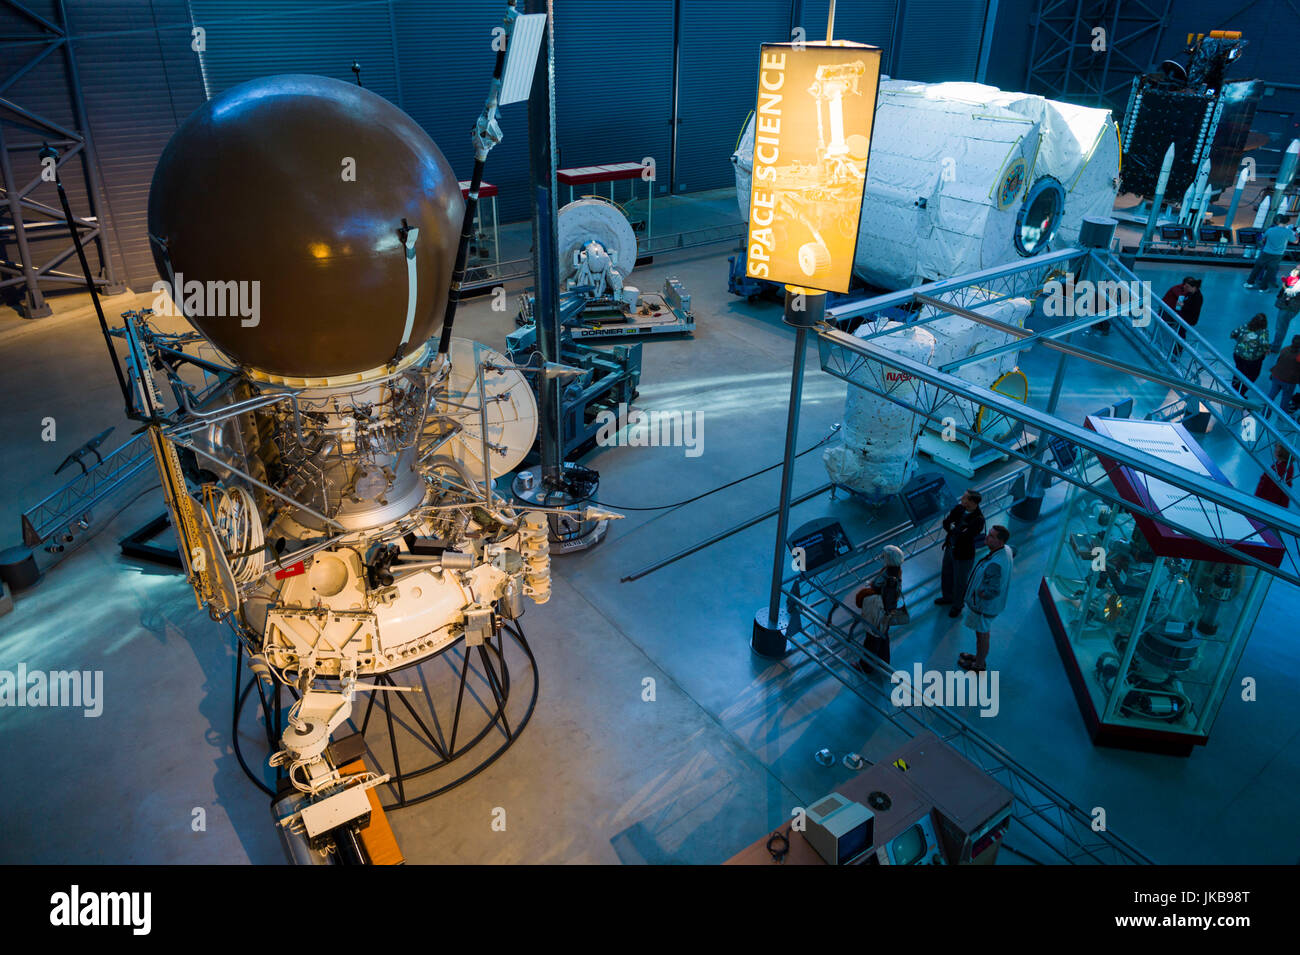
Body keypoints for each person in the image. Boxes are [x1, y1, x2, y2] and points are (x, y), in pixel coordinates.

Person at [958, 526, 1013, 673]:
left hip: (984, 608)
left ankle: (979, 665)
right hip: (989, 607)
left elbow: (992, 591)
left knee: (982, 634)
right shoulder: (1006, 550)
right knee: (982, 632)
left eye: (992, 536)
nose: (987, 537)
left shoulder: (995, 564)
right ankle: (978, 657)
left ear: (1000, 541)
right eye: (989, 534)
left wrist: (979, 592)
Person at [935, 489, 985, 618]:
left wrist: (954, 529)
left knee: (960, 581)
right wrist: (956, 530)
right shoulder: (958, 509)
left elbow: (966, 536)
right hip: (951, 548)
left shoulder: (978, 519)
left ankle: (957, 605)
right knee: (946, 574)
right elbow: (946, 523)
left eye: (964, 497)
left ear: (972, 502)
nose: (961, 499)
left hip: (963, 555)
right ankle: (947, 597)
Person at [854, 545, 905, 669]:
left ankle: (865, 666)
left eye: (884, 556)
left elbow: (884, 596)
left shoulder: (890, 577)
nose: (882, 558)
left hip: (880, 612)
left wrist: (868, 591)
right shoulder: (895, 570)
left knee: (871, 639)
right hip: (886, 612)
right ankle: (884, 662)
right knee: (883, 636)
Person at [1245, 215, 1299, 292]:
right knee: (1270, 271)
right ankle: (1263, 288)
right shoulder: (1288, 232)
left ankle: (1249, 283)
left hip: (1266, 252)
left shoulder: (1270, 230)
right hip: (1277, 255)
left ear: (1279, 221)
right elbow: (1295, 241)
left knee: (1257, 268)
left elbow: (1263, 239)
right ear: (1287, 222)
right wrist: (1297, 236)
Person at [1230, 313, 1271, 395]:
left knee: (1238, 372)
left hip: (1238, 354)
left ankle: (1233, 390)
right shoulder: (1262, 332)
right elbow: (1264, 343)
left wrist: (1240, 341)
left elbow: (1233, 334)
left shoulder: (1244, 326)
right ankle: (1241, 392)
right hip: (1252, 360)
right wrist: (1266, 350)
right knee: (1252, 376)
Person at [1161, 276, 1202, 357]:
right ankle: (1176, 351)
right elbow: (1179, 305)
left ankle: (1177, 352)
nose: (1185, 287)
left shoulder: (1197, 296)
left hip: (1186, 318)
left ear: (1193, 287)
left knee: (1180, 334)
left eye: (1187, 287)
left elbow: (1192, 308)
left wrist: (1183, 305)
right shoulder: (1188, 292)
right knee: (1179, 334)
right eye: (1185, 286)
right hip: (1180, 316)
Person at [1265, 336, 1300, 412]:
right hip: (1288, 381)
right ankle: (1282, 414)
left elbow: (1279, 361)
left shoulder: (1285, 349)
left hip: (1277, 376)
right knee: (1286, 398)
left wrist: (1273, 372)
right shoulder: (1298, 356)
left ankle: (1266, 408)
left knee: (1272, 393)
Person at [1272, 266, 1300, 353]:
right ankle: (1275, 344)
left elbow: (1292, 293)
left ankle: (1275, 347)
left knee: (1281, 327)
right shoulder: (1296, 277)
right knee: (1280, 326)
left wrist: (1284, 286)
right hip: (1288, 306)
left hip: (1289, 307)